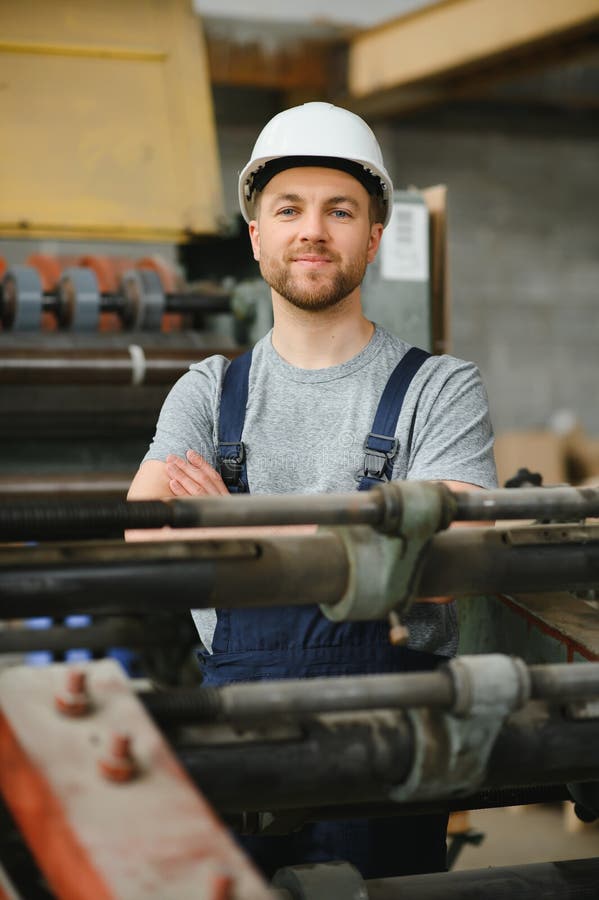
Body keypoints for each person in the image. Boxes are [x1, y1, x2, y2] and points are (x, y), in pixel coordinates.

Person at [128, 101, 497, 879]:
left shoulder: (441, 387)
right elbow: (142, 536)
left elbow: (454, 557)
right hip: (239, 737)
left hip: (395, 743)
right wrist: (377, 547)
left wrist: (240, 533)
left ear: (371, 233)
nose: (312, 231)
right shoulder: (206, 390)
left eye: (339, 210)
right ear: (256, 234)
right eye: (288, 209)